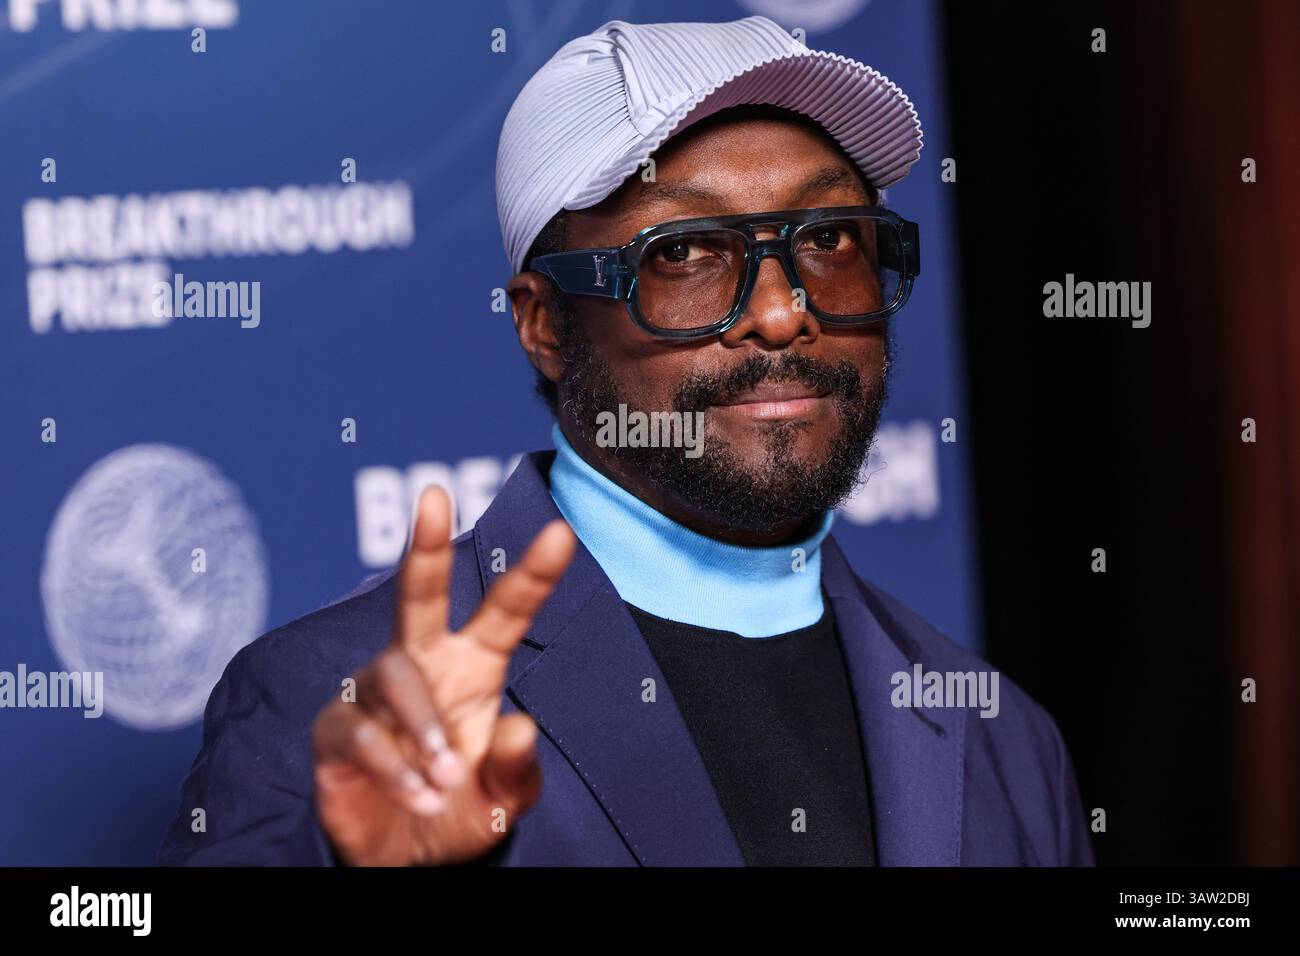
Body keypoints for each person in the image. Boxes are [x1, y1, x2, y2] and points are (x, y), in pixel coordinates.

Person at [159, 15, 1094, 867]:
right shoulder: (334, 698)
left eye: (831, 239)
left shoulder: (999, 735)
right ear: (547, 326)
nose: (781, 311)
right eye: (683, 253)